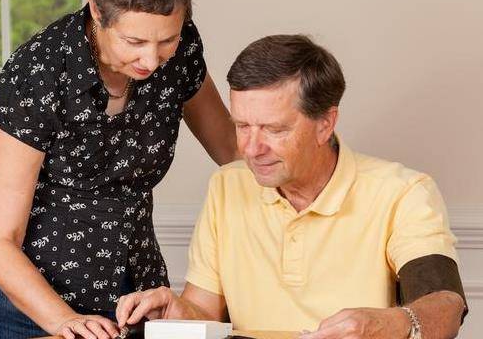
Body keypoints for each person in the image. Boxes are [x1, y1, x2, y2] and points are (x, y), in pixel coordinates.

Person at [0, 0, 238, 339]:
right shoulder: (39, 71)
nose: (151, 59)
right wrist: (63, 320)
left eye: (166, 39)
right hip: (27, 302)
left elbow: (233, 150)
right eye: (134, 41)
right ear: (96, 8)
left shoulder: (180, 54)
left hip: (132, 289)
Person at [116, 35, 468, 339]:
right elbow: (205, 313)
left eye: (274, 129)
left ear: (325, 124)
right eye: (242, 126)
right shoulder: (227, 187)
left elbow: (446, 306)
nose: (251, 148)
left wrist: (390, 323)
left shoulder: (403, 192)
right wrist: (178, 312)